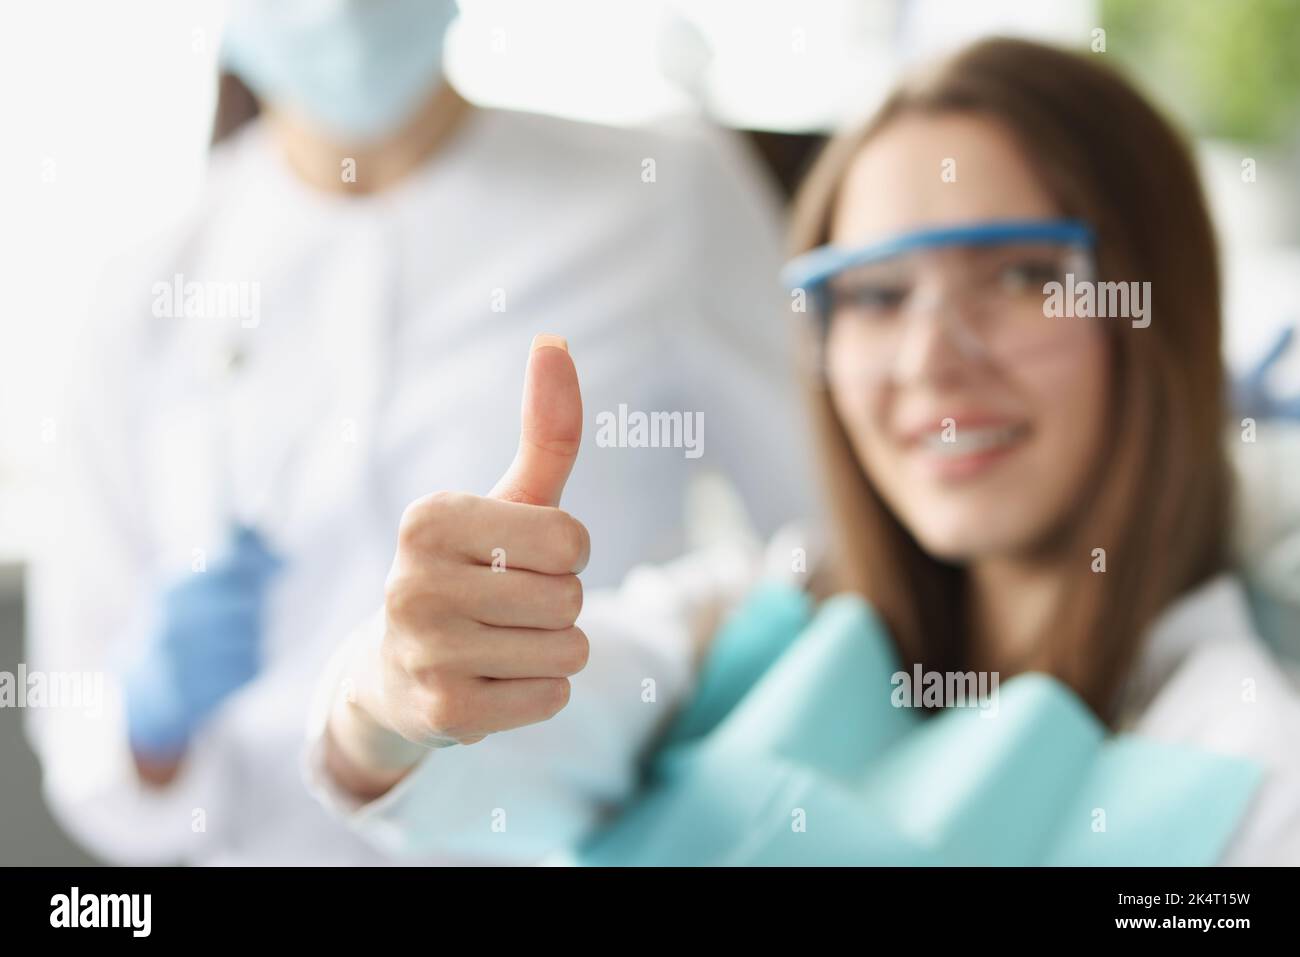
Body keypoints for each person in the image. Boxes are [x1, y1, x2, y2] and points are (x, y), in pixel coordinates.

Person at [305, 38, 1300, 865]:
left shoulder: (1246, 773)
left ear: (1154, 303)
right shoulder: (739, 626)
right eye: (873, 295)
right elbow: (471, 753)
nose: (927, 361)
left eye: (1020, 275)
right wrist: (391, 693)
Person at [25, 0, 812, 865]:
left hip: (577, 839)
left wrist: (683, 638)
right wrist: (147, 722)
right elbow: (90, 759)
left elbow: (835, 537)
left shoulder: (666, 197)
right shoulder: (145, 290)